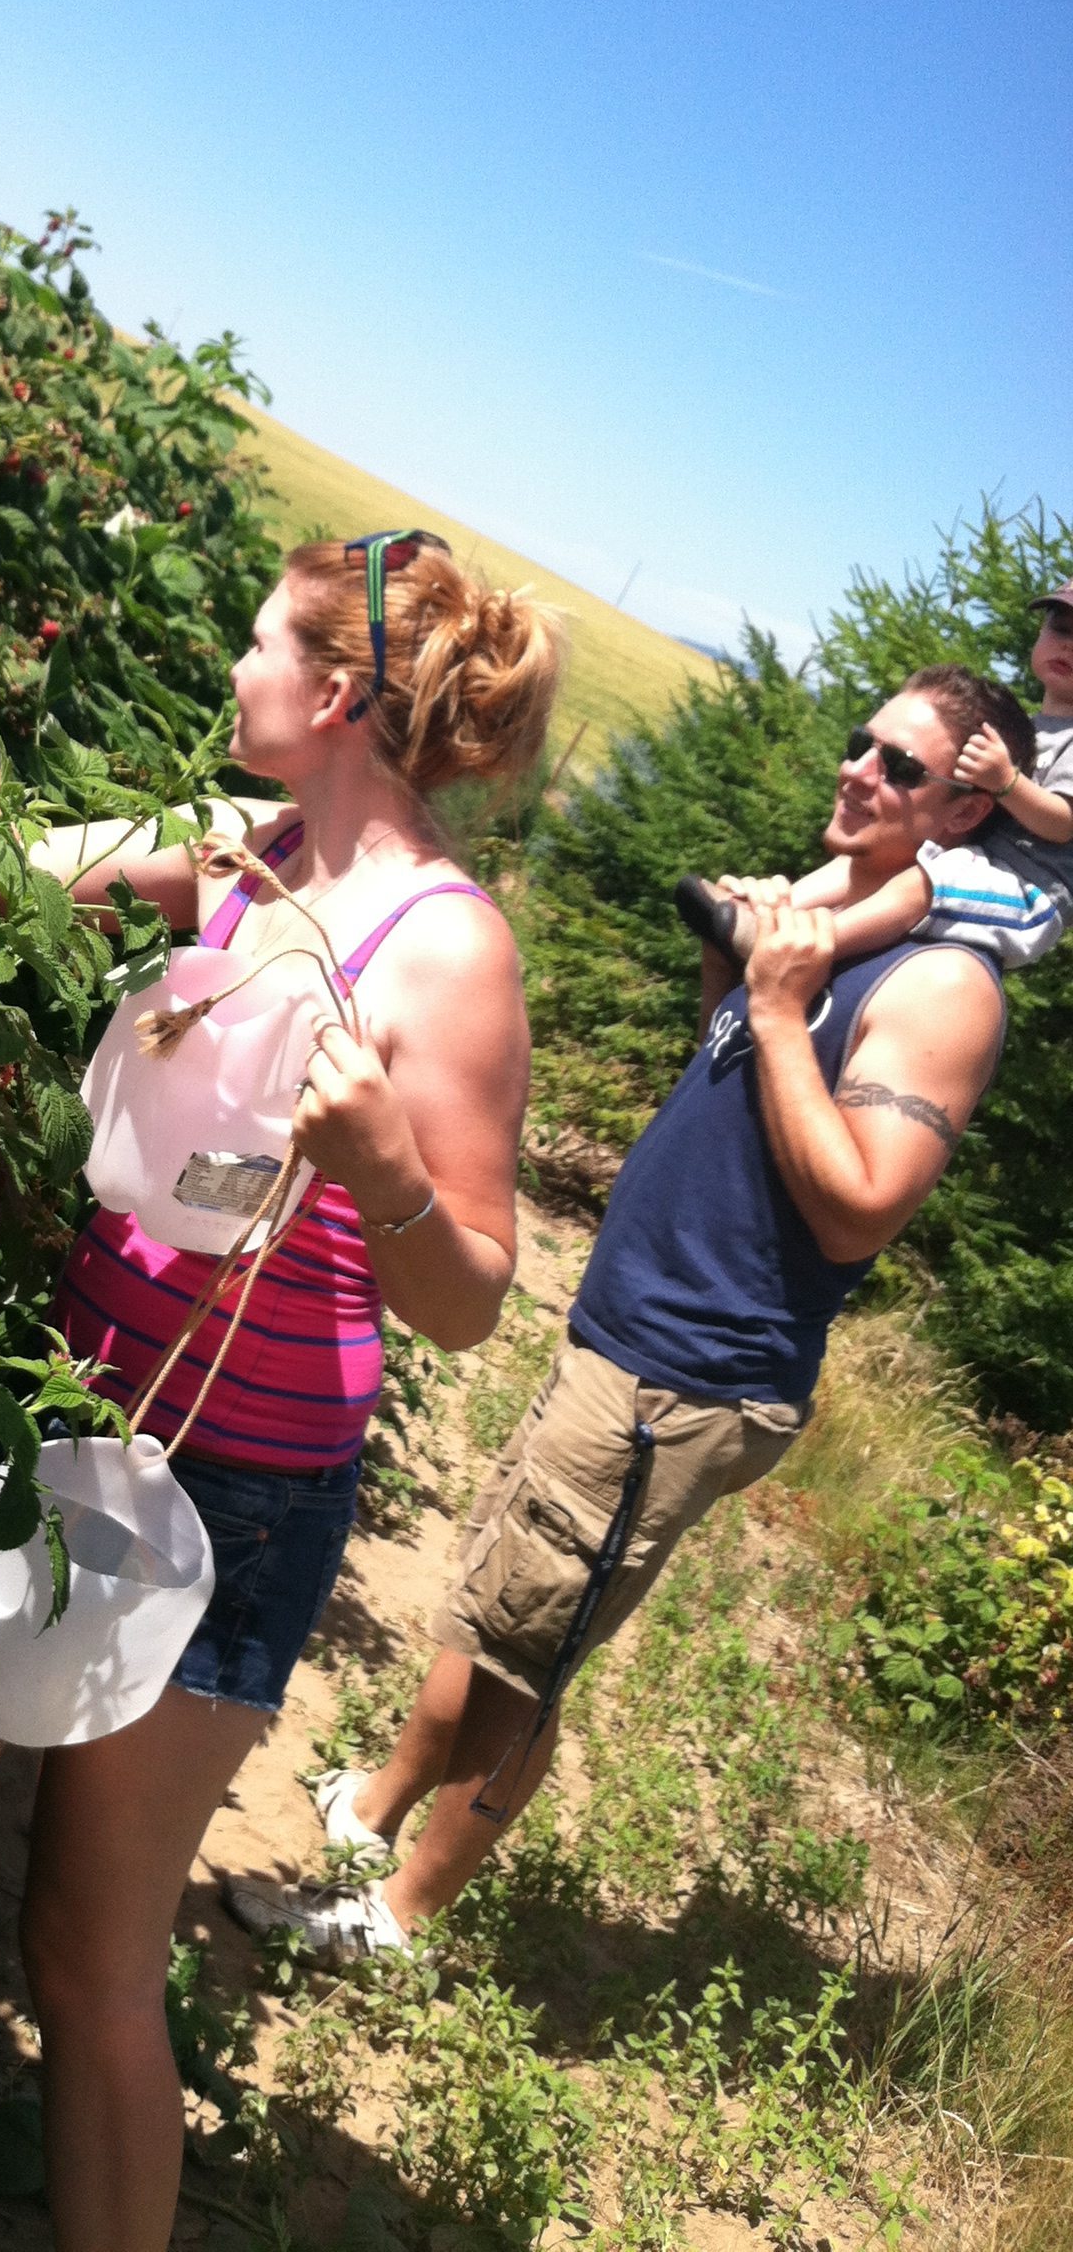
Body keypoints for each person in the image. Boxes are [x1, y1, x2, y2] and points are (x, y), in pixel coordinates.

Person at [0, 529, 563, 2250]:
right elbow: (4, 864)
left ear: (334, 694)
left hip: (232, 1491)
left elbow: (473, 1296)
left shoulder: (444, 951)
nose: (232, 658)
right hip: (78, 1418)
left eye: (260, 639)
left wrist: (383, 1165)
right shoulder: (246, 856)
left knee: (83, 1944)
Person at [227, 664, 1014, 1963]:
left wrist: (771, 1007)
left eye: (903, 768)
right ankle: (376, 1810)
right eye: (862, 742)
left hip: (686, 1377)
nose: (859, 769)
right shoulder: (833, 938)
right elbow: (747, 1108)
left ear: (967, 815)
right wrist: (734, 984)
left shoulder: (945, 987)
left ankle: (400, 1917)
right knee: (495, 1599)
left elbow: (859, 1207)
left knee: (528, 1662)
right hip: (627, 1337)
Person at [678, 586, 1073, 972]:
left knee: (919, 885)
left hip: (1031, 895)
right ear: (1039, 632)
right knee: (873, 857)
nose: (1069, 646)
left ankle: (797, 946)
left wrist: (1007, 782)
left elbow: (1064, 825)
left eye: (900, 767)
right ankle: (764, 913)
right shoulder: (1037, 726)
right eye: (1061, 627)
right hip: (986, 861)